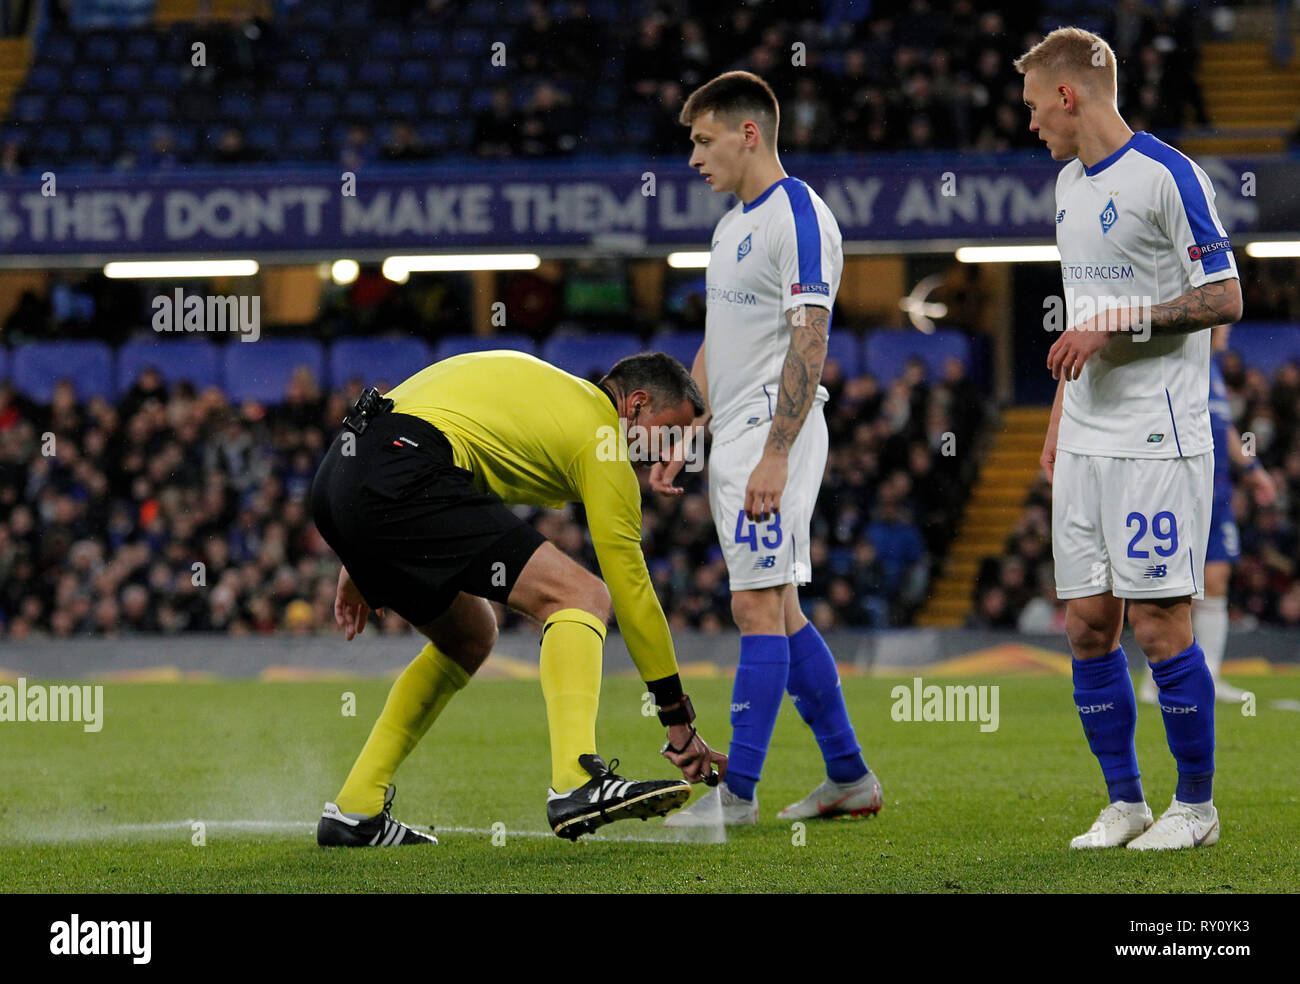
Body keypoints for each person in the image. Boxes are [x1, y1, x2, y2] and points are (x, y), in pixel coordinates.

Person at [309, 350, 726, 845]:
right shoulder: (601, 435)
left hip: (342, 473)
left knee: (470, 635)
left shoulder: (543, 397)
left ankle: (356, 810)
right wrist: (676, 719)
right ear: (635, 405)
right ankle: (576, 780)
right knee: (581, 595)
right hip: (400, 470)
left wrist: (355, 549)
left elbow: (406, 422)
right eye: (669, 433)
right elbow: (632, 591)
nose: (669, 454)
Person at [1020, 28, 1243, 850]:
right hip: (1084, 434)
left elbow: (1224, 297)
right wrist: (1056, 417)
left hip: (1159, 434)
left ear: (1070, 95)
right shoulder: (1068, 188)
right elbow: (1083, 315)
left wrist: (1126, 319)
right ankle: (1126, 802)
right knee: (1086, 622)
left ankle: (1196, 808)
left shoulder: (1167, 175)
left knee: (1157, 622)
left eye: (1037, 105)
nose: (1033, 121)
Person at [654, 71, 880, 828]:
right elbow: (721, 342)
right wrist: (685, 430)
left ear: (748, 133)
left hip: (769, 436)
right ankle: (848, 778)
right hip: (733, 437)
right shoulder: (728, 229)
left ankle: (735, 796)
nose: (693, 158)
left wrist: (776, 454)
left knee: (754, 605)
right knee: (779, 610)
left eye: (702, 139)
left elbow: (808, 339)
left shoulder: (800, 216)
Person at [1140, 324, 1276, 705]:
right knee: (1175, 586)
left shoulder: (1213, 369)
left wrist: (1253, 472)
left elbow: (1225, 427)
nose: (1229, 333)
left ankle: (1210, 678)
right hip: (1179, 489)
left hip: (1216, 494)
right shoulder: (1178, 363)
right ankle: (1158, 680)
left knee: (1216, 581)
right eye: (1224, 326)